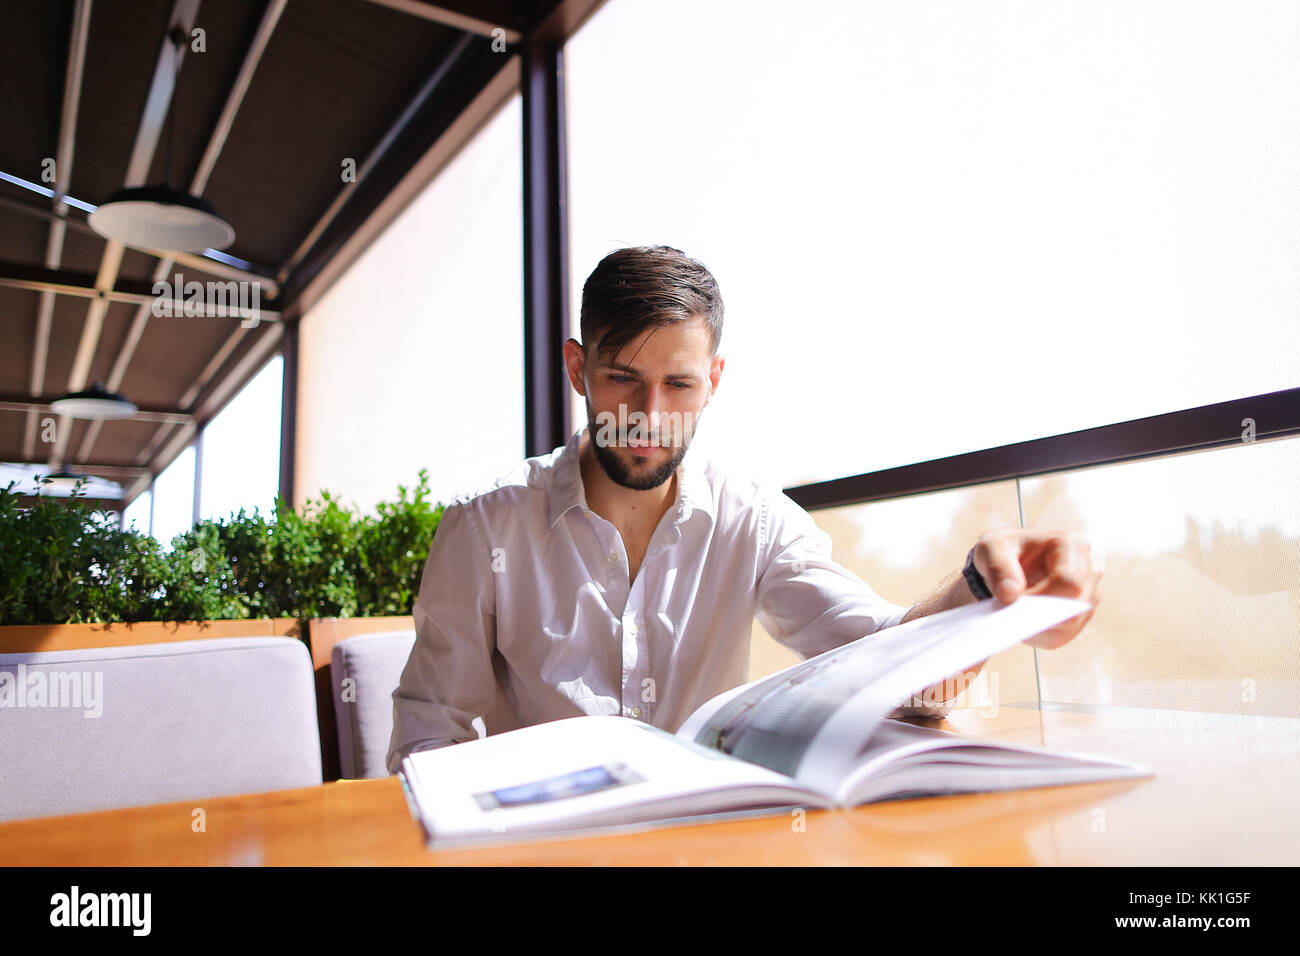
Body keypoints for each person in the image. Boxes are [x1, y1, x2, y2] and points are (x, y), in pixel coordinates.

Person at [385, 245, 1101, 773]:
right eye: (622, 379)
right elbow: (425, 737)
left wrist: (980, 590)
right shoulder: (485, 527)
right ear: (578, 369)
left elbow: (889, 670)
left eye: (680, 385)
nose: (650, 415)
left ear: (715, 380)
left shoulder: (754, 522)